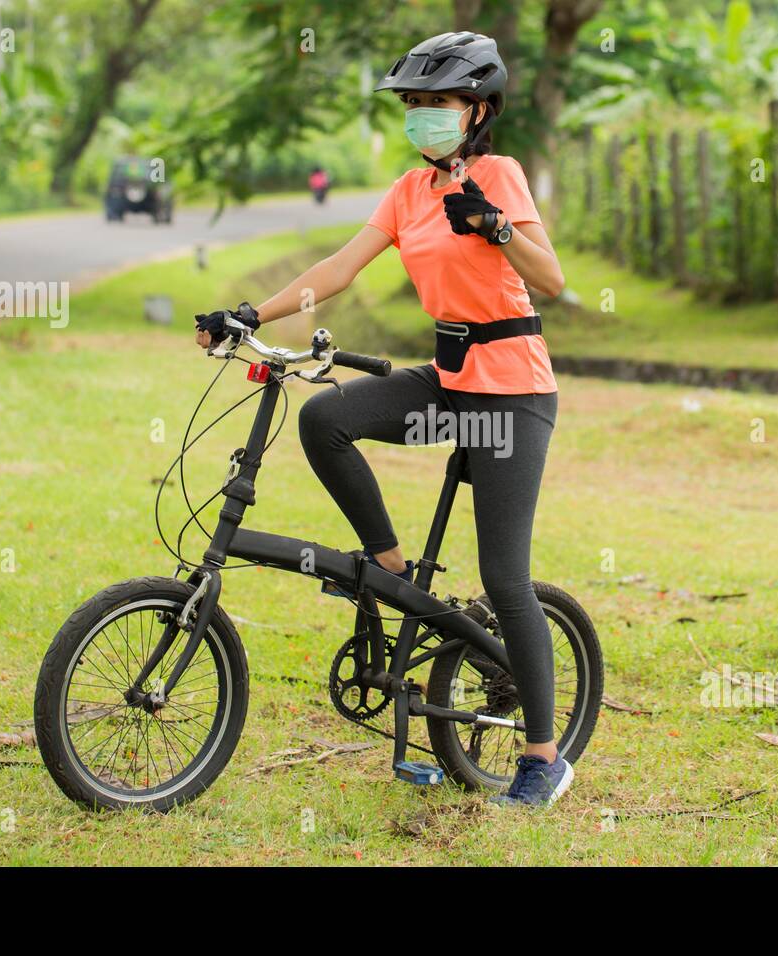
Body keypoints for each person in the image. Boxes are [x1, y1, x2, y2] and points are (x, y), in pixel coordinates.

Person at [194, 32, 570, 807]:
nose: (425, 117)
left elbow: (553, 280)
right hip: (450, 379)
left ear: (478, 110)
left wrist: (495, 226)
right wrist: (247, 312)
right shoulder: (407, 192)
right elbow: (336, 270)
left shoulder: (500, 175)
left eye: (439, 104)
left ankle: (541, 758)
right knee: (324, 418)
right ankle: (393, 574)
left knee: (504, 576)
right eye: (416, 106)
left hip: (513, 395)